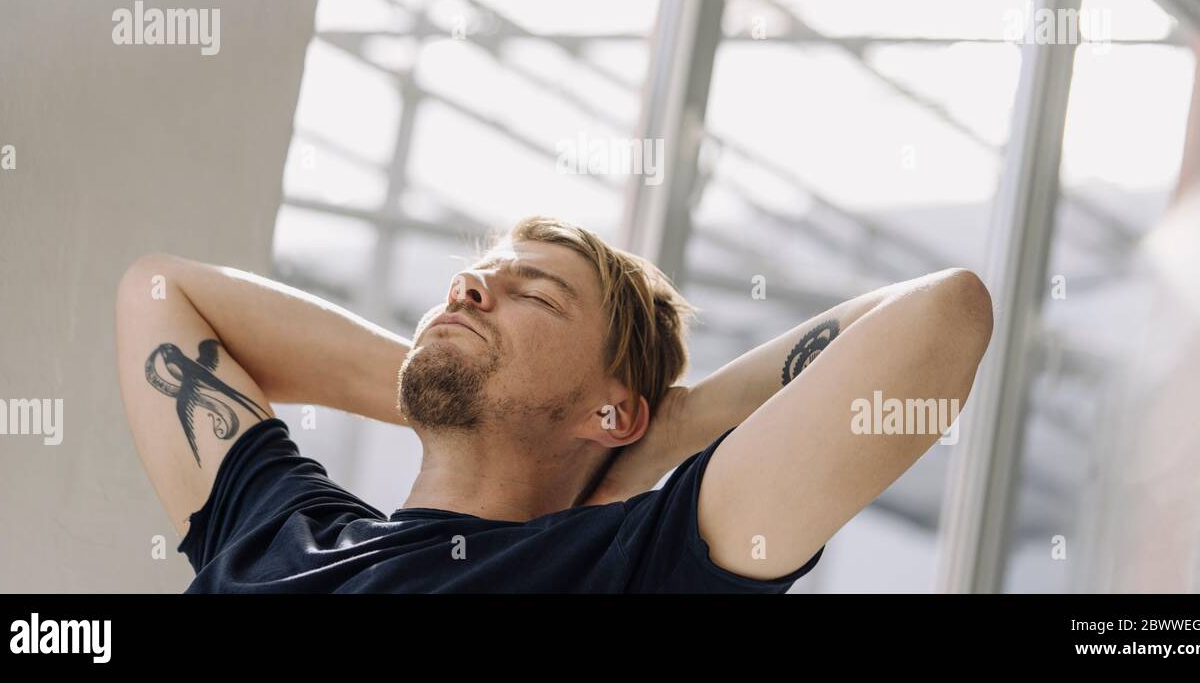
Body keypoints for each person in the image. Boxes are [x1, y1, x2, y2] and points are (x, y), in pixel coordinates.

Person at [114, 215, 992, 592]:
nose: (470, 287)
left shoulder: (622, 567)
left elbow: (942, 318)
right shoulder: (285, 530)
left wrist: (671, 434)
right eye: (473, 277)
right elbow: (159, 289)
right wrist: (439, 380)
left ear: (614, 411)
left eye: (532, 293)